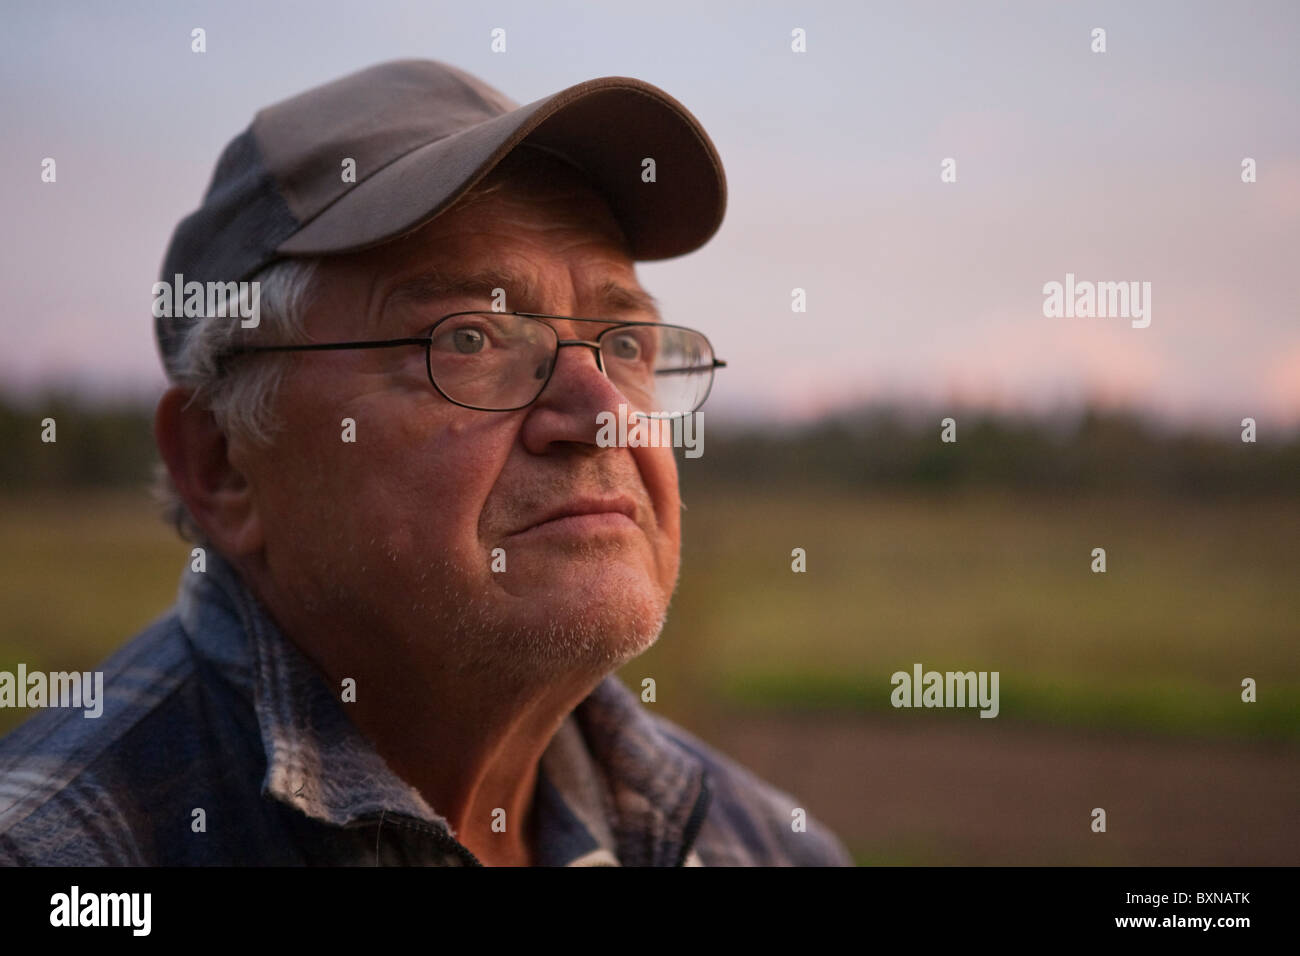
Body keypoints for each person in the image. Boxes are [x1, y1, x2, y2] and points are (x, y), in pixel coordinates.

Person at [0, 59, 852, 867]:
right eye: (469, 339)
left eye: (623, 342)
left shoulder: (771, 846)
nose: (602, 417)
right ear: (224, 463)